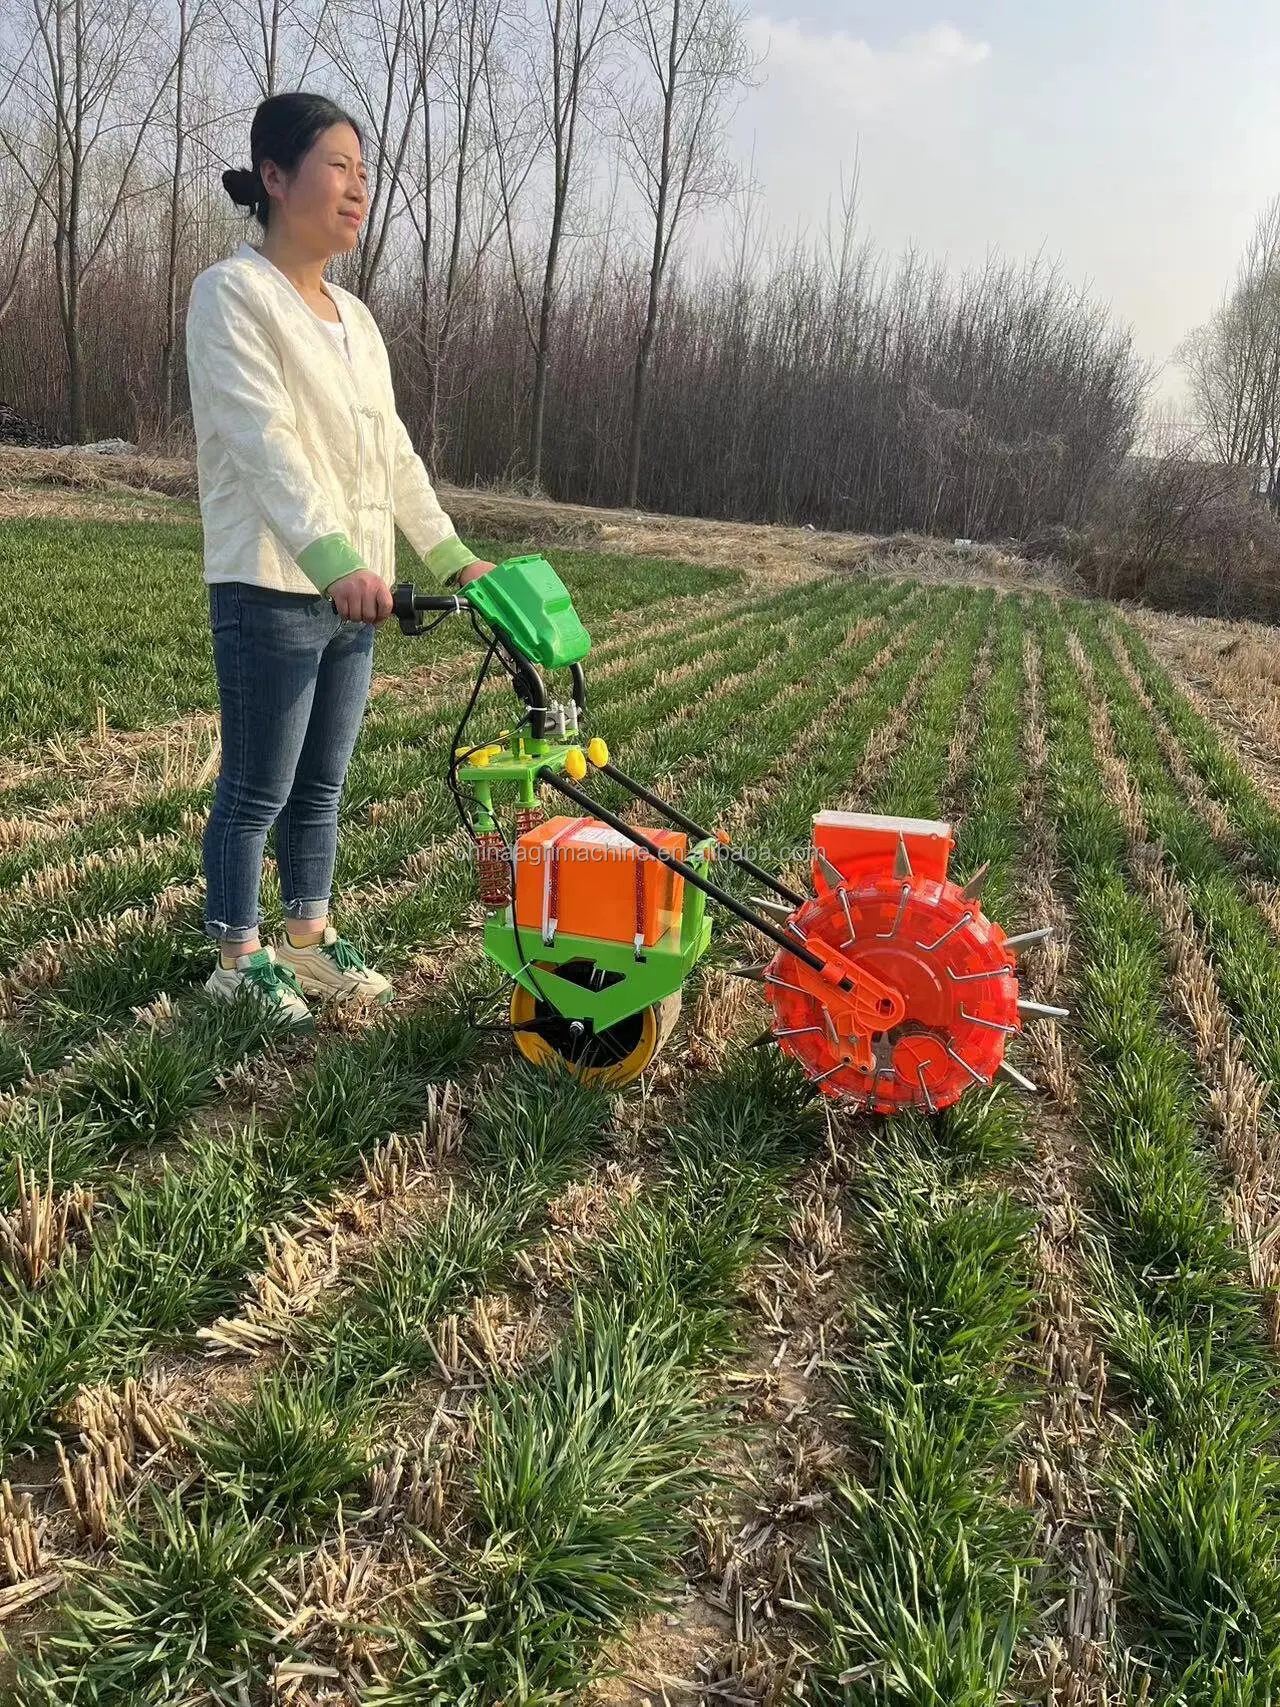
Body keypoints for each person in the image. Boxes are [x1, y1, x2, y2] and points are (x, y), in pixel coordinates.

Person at [185, 90, 495, 1028]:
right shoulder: (232, 295)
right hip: (275, 584)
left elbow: (389, 449)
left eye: (364, 170)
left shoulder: (357, 320)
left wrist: (450, 554)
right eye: (338, 166)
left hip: (355, 593)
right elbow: (262, 441)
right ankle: (236, 960)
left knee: (321, 785)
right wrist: (330, 559)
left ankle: (307, 943)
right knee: (256, 787)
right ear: (275, 178)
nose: (358, 188)